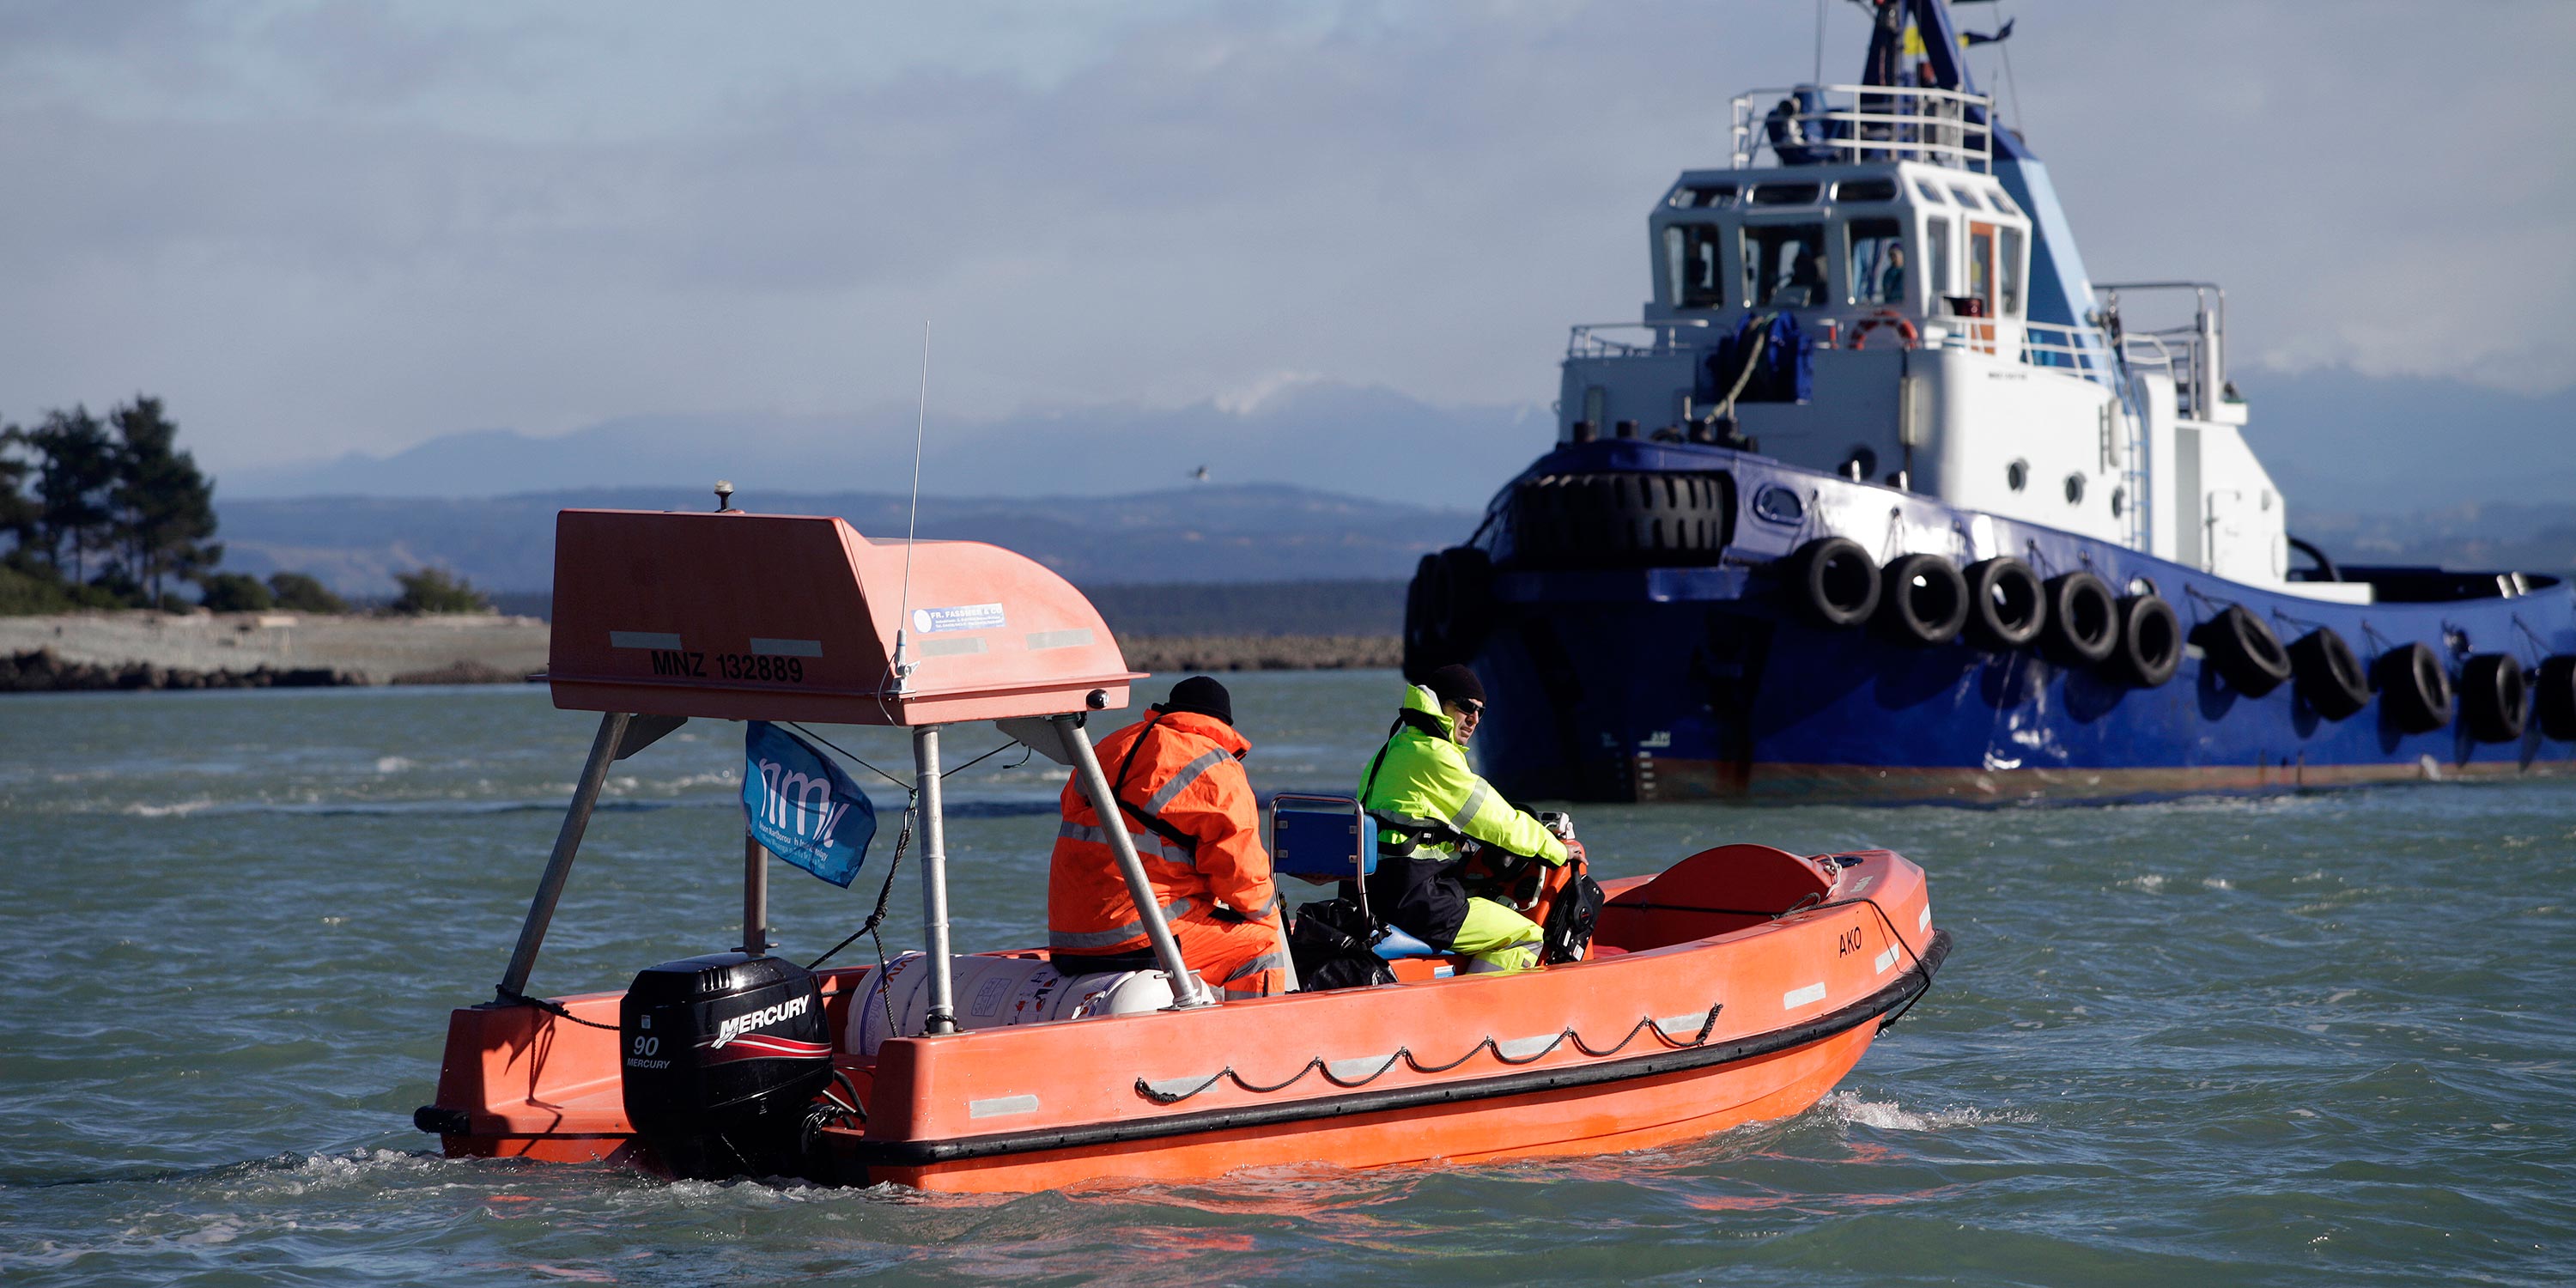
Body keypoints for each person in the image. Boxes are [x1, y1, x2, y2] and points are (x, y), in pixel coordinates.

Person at [1048, 676, 1288, 999]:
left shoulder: (1111, 746)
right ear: (1223, 724)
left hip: (1070, 939)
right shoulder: (1215, 766)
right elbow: (1240, 871)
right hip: (1141, 935)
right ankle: (1256, 1045)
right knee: (1262, 944)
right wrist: (1272, 918)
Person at [1355, 665, 1583, 973]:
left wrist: (1461, 848)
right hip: (1417, 902)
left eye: (1481, 712)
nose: (1474, 719)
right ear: (1440, 705)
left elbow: (1413, 825)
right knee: (1527, 936)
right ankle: (1480, 1015)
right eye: (1466, 707)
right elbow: (1497, 821)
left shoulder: (1393, 749)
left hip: (1372, 895)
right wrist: (1556, 849)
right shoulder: (1435, 755)